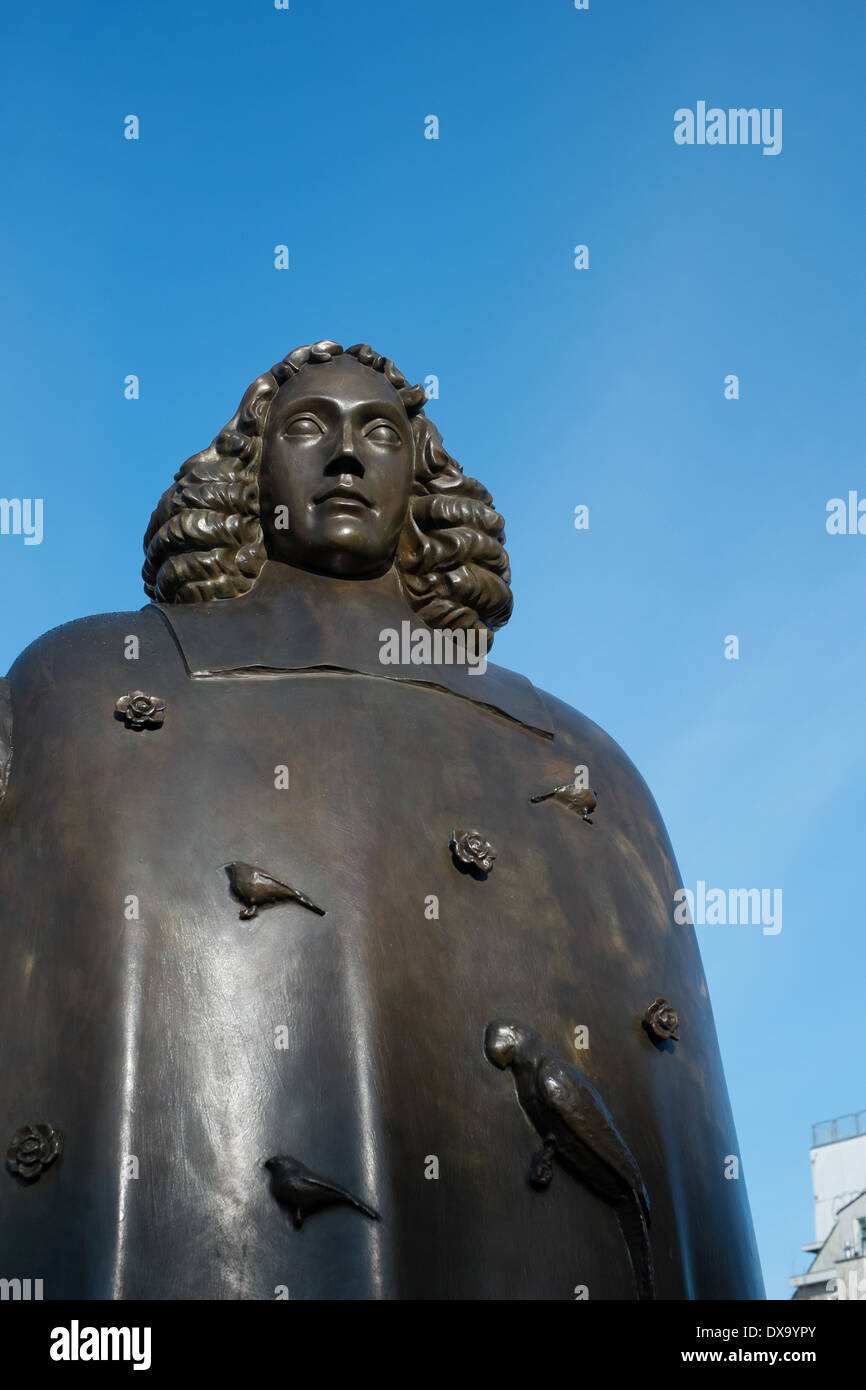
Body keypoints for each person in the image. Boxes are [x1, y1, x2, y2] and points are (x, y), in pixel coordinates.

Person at [0, 340, 763, 1299]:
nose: (348, 456)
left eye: (381, 434)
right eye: (309, 427)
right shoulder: (79, 687)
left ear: (421, 478)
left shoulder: (584, 758)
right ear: (250, 471)